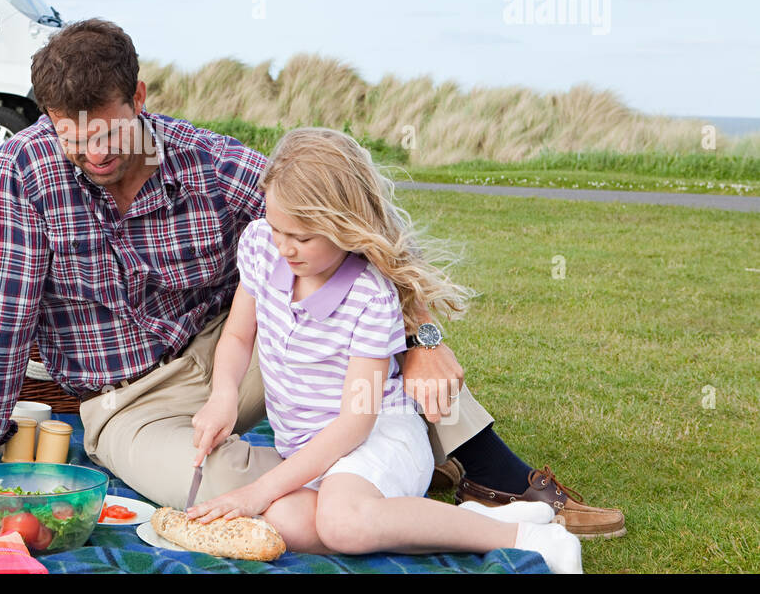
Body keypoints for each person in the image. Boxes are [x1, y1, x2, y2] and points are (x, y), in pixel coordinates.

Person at [0, 19, 623, 541]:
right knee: (226, 493)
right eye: (71, 138)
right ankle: (377, 488)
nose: (92, 153)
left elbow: (346, 223)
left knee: (392, 361)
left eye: (105, 132)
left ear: (137, 97)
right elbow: (7, 319)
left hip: (240, 345)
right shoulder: (19, 174)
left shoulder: (215, 165)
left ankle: (500, 478)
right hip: (127, 401)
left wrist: (424, 338)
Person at [185, 128, 581, 570]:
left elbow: (355, 424)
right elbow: (239, 336)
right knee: (286, 521)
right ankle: (454, 520)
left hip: (378, 438)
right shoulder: (261, 246)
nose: (284, 247)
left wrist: (259, 489)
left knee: (339, 522)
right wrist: (223, 395)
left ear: (344, 225)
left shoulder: (368, 295)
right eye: (278, 228)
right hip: (308, 451)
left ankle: (527, 535)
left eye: (301, 237)